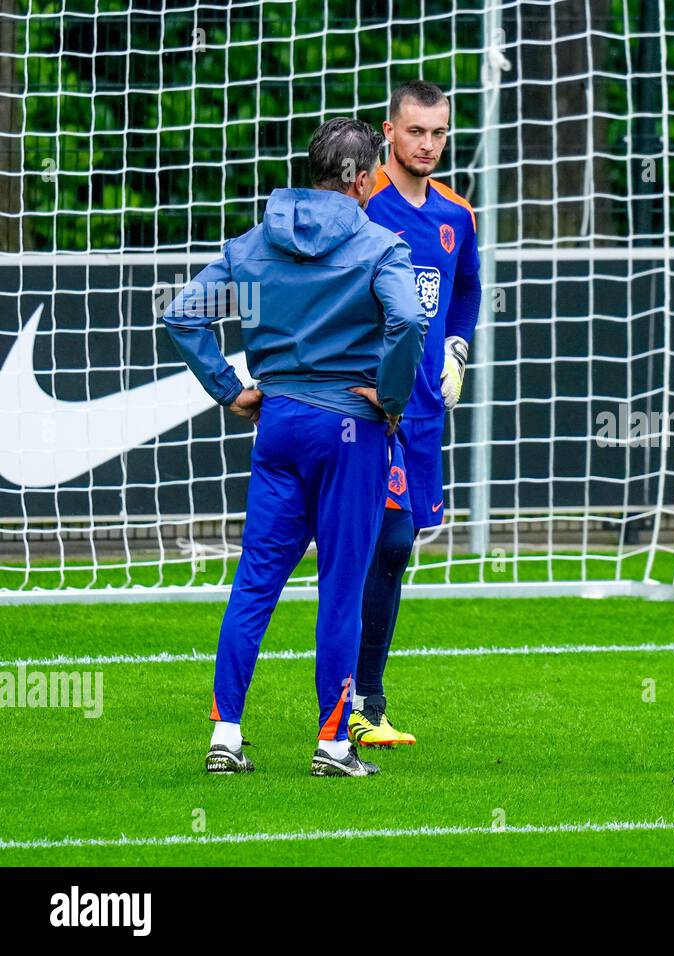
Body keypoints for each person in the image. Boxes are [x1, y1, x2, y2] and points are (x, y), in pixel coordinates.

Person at [162, 118, 428, 777]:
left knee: (255, 582)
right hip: (350, 432)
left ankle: (225, 736)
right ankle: (333, 746)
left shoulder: (253, 244)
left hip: (278, 421)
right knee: (341, 587)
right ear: (364, 179)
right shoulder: (379, 244)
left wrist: (231, 390)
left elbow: (181, 313)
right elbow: (409, 320)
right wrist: (390, 401)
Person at [347, 80, 481, 748]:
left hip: (424, 411)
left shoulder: (458, 215)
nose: (428, 145)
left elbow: (466, 294)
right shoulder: (360, 202)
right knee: (385, 542)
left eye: (438, 133)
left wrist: (456, 351)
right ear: (389, 131)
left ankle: (358, 700)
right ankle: (359, 700)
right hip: (362, 408)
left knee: (393, 554)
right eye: (416, 131)